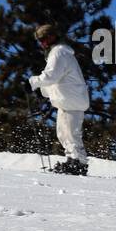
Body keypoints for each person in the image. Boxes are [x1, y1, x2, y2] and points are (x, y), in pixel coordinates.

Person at [28, 24, 89, 175]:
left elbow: (51, 76)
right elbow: (57, 81)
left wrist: (32, 82)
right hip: (67, 100)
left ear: (52, 37)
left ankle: (79, 163)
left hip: (71, 100)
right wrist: (42, 91)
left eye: (43, 39)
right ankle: (72, 161)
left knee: (70, 133)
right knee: (63, 133)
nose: (42, 43)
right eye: (39, 40)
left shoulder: (59, 53)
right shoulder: (59, 53)